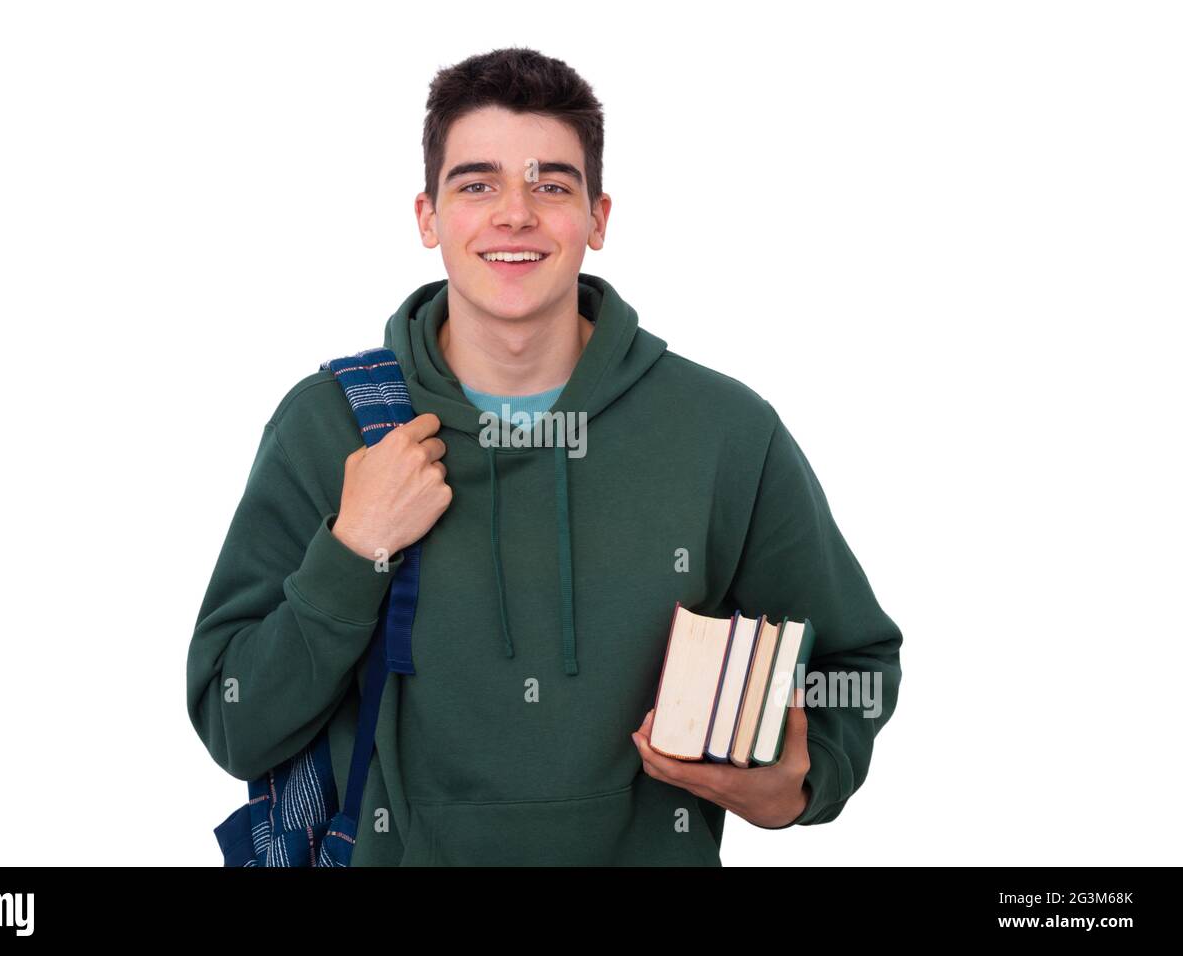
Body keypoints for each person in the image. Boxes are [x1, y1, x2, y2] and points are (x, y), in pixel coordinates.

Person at [186, 46, 902, 866]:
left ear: (598, 218)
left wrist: (800, 784)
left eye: (552, 185)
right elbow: (235, 723)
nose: (515, 214)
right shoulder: (329, 427)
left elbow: (855, 662)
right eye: (477, 183)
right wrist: (353, 552)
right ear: (428, 218)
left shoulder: (724, 431)